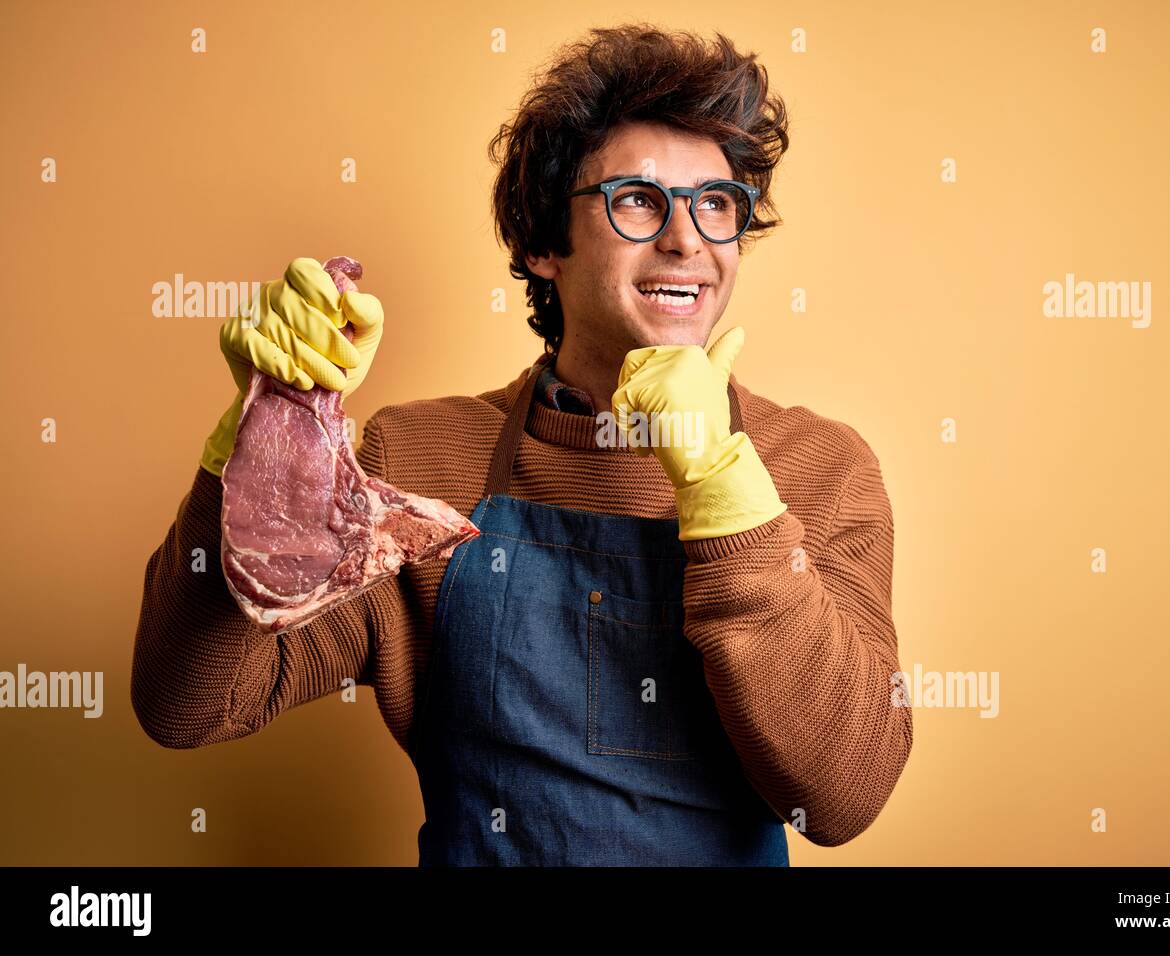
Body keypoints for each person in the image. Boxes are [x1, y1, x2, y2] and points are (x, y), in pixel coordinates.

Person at [131, 23, 912, 866]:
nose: (688, 240)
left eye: (716, 204)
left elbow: (844, 793)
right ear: (544, 244)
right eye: (639, 199)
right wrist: (259, 442)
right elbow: (189, 705)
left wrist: (721, 479)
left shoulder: (819, 468)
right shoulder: (421, 458)